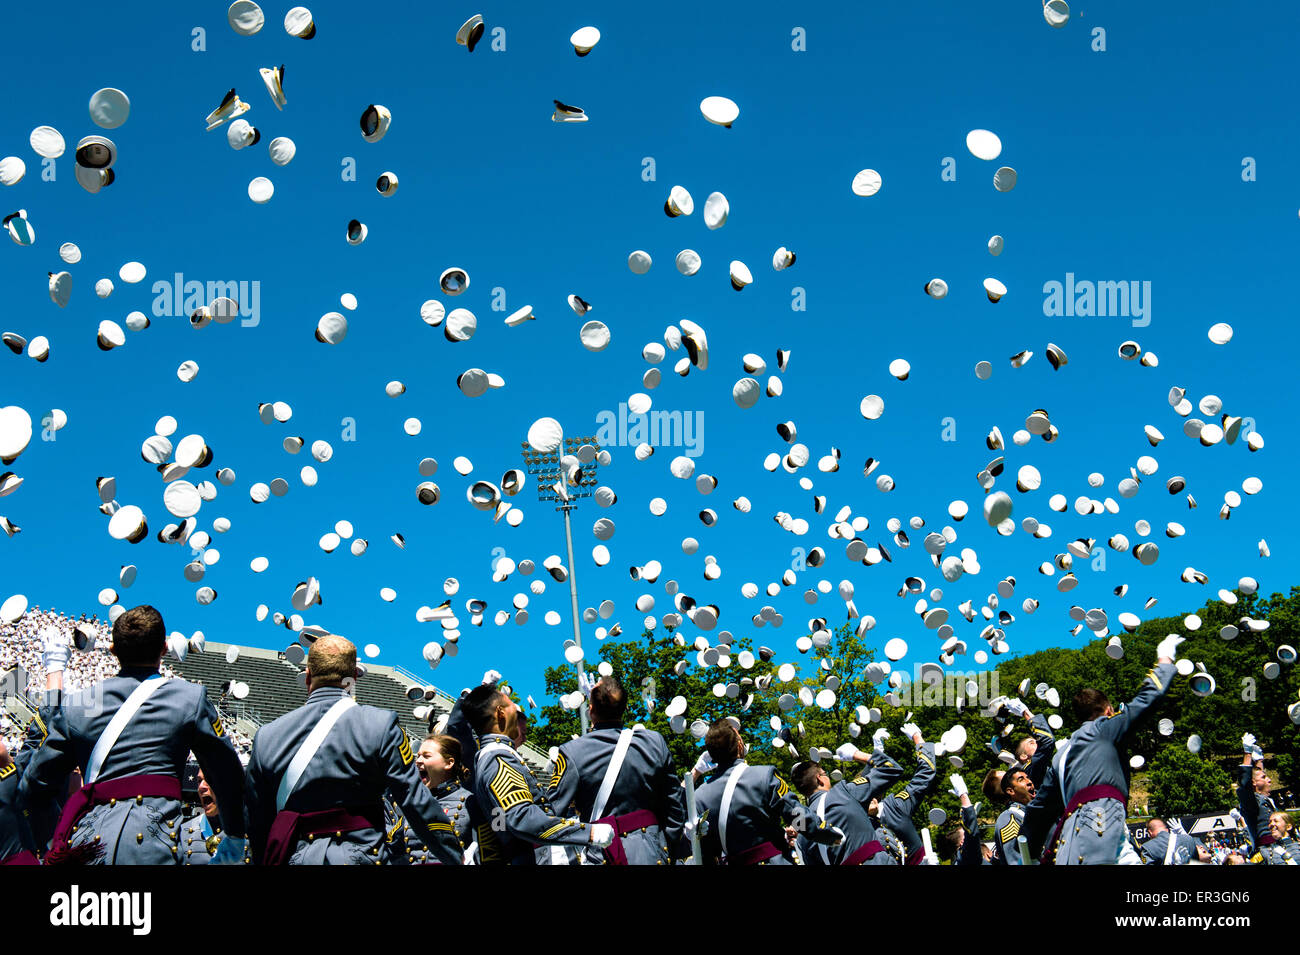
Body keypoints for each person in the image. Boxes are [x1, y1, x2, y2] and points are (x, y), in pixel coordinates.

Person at [19, 607, 246, 865]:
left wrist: (52, 842)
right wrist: (236, 835)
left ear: (113, 650)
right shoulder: (190, 698)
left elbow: (34, 784)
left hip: (87, 845)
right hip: (154, 845)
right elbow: (226, 774)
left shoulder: (79, 704)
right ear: (163, 648)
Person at [244, 635, 462, 865]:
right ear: (354, 677)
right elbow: (415, 800)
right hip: (362, 856)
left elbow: (256, 821)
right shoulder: (381, 724)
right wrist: (454, 855)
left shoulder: (267, 736)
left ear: (308, 677)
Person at [1024, 635, 1181, 865]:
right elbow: (1148, 699)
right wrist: (1165, 660)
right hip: (1101, 826)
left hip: (1070, 842)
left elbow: (1039, 810)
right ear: (1108, 710)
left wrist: (1025, 852)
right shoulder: (1105, 729)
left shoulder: (1060, 756)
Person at [461, 680, 612, 865]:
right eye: (511, 706)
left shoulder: (494, 756)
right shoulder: (497, 757)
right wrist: (588, 833)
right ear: (500, 713)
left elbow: (505, 820)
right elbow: (522, 817)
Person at [546, 675, 687, 864]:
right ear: (625, 708)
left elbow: (552, 813)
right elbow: (674, 806)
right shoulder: (654, 742)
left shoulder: (571, 752)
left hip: (602, 855)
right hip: (653, 852)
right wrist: (667, 845)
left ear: (591, 710)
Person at [694, 718, 841, 865]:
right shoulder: (764, 776)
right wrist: (827, 834)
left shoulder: (700, 795)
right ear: (739, 744)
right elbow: (796, 816)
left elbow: (705, 850)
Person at [387, 734, 479, 864]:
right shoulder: (413, 803)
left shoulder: (470, 802)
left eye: (426, 756)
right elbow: (393, 846)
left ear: (449, 763)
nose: (418, 760)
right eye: (418, 755)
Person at [791, 755, 893, 865]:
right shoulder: (842, 792)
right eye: (825, 774)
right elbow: (891, 769)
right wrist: (857, 754)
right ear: (819, 778)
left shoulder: (801, 832)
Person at [865, 722, 939, 865]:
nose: (867, 796)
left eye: (871, 790)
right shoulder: (854, 820)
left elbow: (924, 776)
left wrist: (918, 739)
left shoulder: (896, 806)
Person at [179, 769, 239, 865]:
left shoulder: (250, 829)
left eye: (210, 780)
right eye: (199, 781)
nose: (201, 787)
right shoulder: (183, 831)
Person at [1237, 733, 1278, 858]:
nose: (1270, 780)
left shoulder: (1265, 799)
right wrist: (1247, 754)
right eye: (1265, 777)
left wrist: (1259, 761)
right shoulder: (1252, 802)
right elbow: (1245, 785)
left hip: (1279, 849)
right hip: (1269, 854)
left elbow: (1257, 778)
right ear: (1254, 782)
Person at [1138, 817, 1209, 865]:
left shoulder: (1147, 847)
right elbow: (1206, 858)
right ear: (1167, 830)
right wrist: (1186, 836)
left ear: (1149, 833)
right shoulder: (1188, 840)